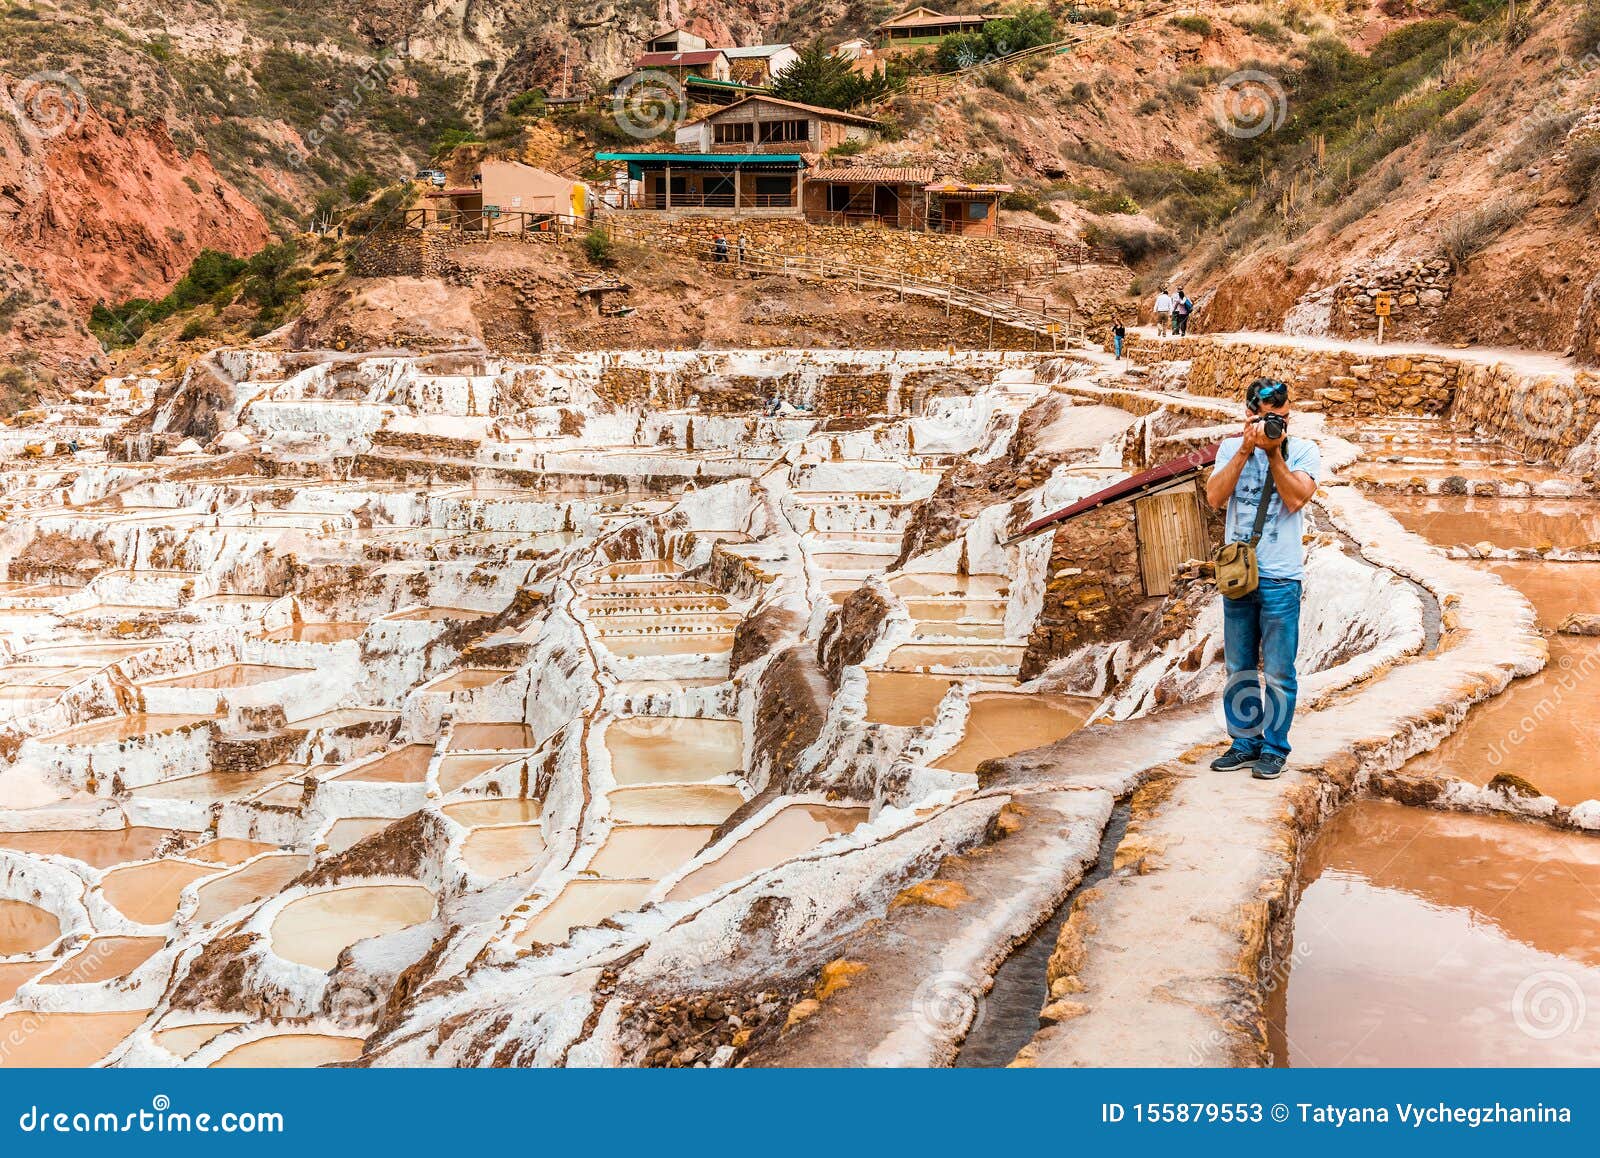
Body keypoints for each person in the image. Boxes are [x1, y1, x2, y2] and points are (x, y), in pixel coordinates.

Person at [1203, 377, 1320, 780]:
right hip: (1239, 575)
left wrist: (1274, 455)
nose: (1279, 425)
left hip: (1281, 577)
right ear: (1249, 415)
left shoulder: (1304, 450)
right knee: (1238, 665)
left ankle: (1274, 748)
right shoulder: (1230, 448)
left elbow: (1295, 498)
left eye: (1284, 418)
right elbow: (1215, 498)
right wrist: (1246, 449)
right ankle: (1244, 742)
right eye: (1270, 418)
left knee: (1279, 671)